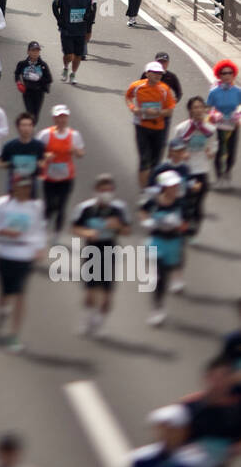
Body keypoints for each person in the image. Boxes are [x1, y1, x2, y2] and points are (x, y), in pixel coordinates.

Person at [0, 173, 47, 352]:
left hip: (24, 254)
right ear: (13, 187)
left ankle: (14, 335)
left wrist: (39, 248)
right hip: (4, 251)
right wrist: (4, 231)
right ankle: (0, 313)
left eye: (27, 187)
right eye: (21, 186)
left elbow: (39, 228)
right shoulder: (1, 204)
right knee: (4, 293)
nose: (24, 190)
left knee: (20, 295)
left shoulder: (35, 206)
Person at [70, 173, 132, 336]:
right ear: (96, 190)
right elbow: (75, 228)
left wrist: (117, 226)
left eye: (109, 190)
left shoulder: (119, 209)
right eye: (102, 190)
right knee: (90, 290)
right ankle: (87, 318)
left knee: (107, 292)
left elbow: (127, 230)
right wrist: (87, 232)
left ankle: (101, 322)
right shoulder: (86, 208)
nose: (106, 193)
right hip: (91, 249)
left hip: (110, 249)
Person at [141, 170, 192, 326]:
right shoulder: (153, 202)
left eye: (176, 186)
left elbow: (186, 224)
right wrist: (148, 221)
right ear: (163, 187)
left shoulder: (181, 203)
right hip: (157, 241)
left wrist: (177, 225)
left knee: (171, 268)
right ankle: (157, 309)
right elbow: (142, 211)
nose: (174, 189)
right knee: (160, 277)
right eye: (171, 186)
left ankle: (173, 278)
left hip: (174, 242)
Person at [126, 62, 178, 188]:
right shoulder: (137, 86)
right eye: (155, 73)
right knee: (144, 159)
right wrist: (133, 108)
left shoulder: (164, 89)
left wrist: (158, 112)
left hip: (158, 128)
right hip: (141, 126)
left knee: (156, 160)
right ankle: (143, 190)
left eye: (160, 73)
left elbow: (170, 110)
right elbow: (128, 97)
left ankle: (153, 186)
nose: (157, 75)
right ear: (147, 73)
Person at [37, 104, 85, 233]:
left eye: (64, 117)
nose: (61, 120)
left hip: (66, 177)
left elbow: (81, 154)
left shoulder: (74, 135)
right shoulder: (45, 134)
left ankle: (56, 233)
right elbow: (37, 152)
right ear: (54, 118)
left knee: (61, 206)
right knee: (49, 205)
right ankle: (44, 227)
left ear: (67, 118)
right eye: (59, 117)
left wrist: (75, 150)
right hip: (49, 177)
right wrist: (45, 156)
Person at [51, 0, 94, 85]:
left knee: (78, 56)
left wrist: (88, 29)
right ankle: (65, 67)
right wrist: (59, 20)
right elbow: (55, 6)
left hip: (80, 30)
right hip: (67, 30)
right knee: (69, 55)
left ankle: (73, 74)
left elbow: (89, 13)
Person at [206, 59, 241, 182]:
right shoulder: (214, 92)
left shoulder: (238, 91)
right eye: (224, 73)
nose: (227, 76)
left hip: (233, 125)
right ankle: (219, 175)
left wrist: (238, 117)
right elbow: (209, 108)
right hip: (220, 125)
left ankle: (227, 171)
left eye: (229, 73)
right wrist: (216, 115)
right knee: (220, 150)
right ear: (219, 75)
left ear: (233, 74)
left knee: (231, 152)